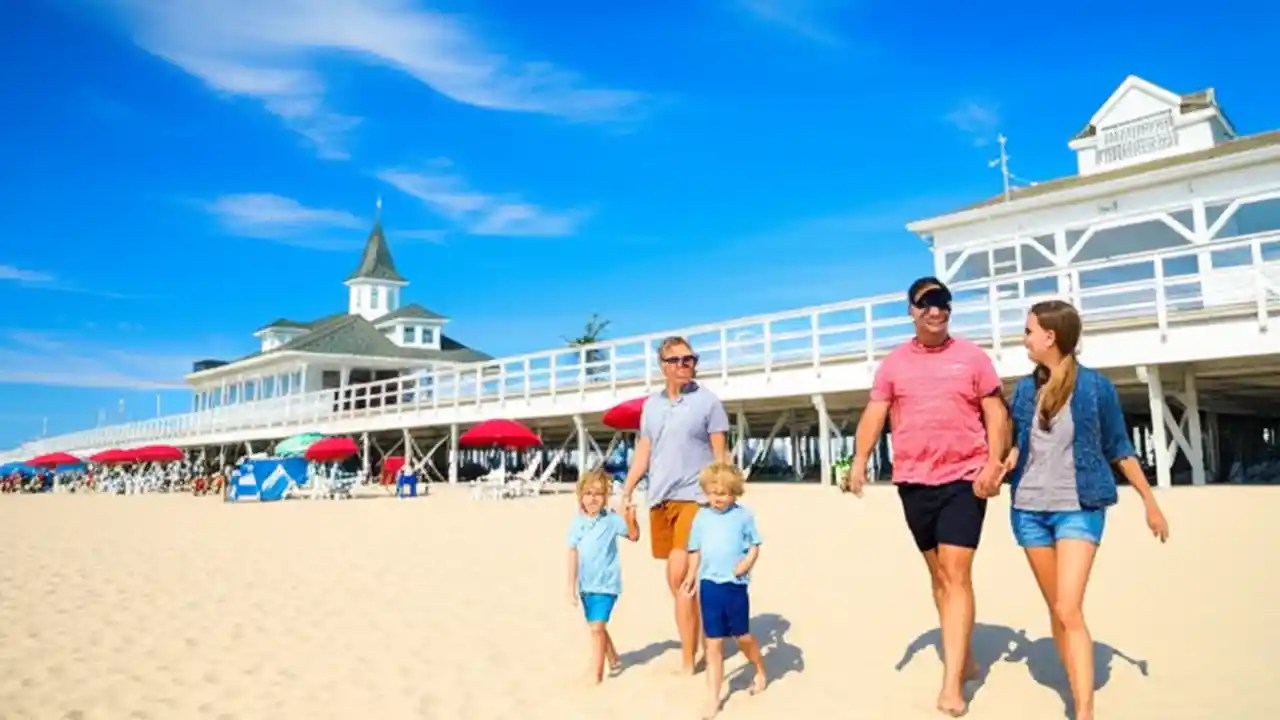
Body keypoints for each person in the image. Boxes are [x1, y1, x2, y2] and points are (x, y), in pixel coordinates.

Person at [846, 276, 1007, 717]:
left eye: (943, 303)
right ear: (911, 311)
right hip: (914, 480)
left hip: (965, 478)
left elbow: (995, 412)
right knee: (938, 577)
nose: (936, 311)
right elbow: (875, 413)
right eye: (926, 304)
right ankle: (966, 654)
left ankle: (952, 683)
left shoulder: (973, 358)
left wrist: (993, 464)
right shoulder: (894, 364)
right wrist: (859, 461)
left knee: (956, 574)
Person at [1002, 300, 1169, 720]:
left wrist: (1150, 502)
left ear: (1050, 337)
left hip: (1079, 507)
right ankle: (1077, 684)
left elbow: (1120, 448)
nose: (1024, 339)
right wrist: (1005, 461)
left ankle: (1084, 711)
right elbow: (1019, 443)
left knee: (1068, 608)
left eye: (1028, 331)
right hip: (1028, 510)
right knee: (1057, 609)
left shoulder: (1096, 388)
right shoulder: (1025, 389)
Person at [621, 335, 730, 675]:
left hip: (695, 499)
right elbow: (644, 450)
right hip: (660, 500)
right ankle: (699, 638)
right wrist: (626, 490)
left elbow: (720, 453)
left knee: (680, 576)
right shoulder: (650, 407)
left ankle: (688, 660)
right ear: (663, 366)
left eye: (690, 359)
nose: (685, 365)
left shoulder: (708, 402)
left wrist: (724, 496)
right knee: (679, 586)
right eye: (677, 360)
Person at [679, 463, 767, 718]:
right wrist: (690, 575)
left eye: (725, 493)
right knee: (713, 643)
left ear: (735, 492)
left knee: (742, 637)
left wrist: (747, 563)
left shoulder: (743, 516)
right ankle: (713, 698)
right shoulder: (702, 517)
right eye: (713, 492)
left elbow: (755, 544)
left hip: (735, 585)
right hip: (709, 585)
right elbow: (694, 549)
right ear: (706, 491)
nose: (718, 498)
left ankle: (760, 669)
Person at [567, 468, 641, 684]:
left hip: (607, 584)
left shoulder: (611, 520)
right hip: (586, 584)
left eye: (598, 494)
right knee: (596, 625)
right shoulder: (577, 523)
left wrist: (630, 516)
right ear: (581, 496)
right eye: (588, 494)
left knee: (597, 628)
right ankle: (613, 657)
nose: (593, 499)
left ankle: (597, 675)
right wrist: (570, 587)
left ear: (606, 497)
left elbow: (634, 535)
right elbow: (572, 553)